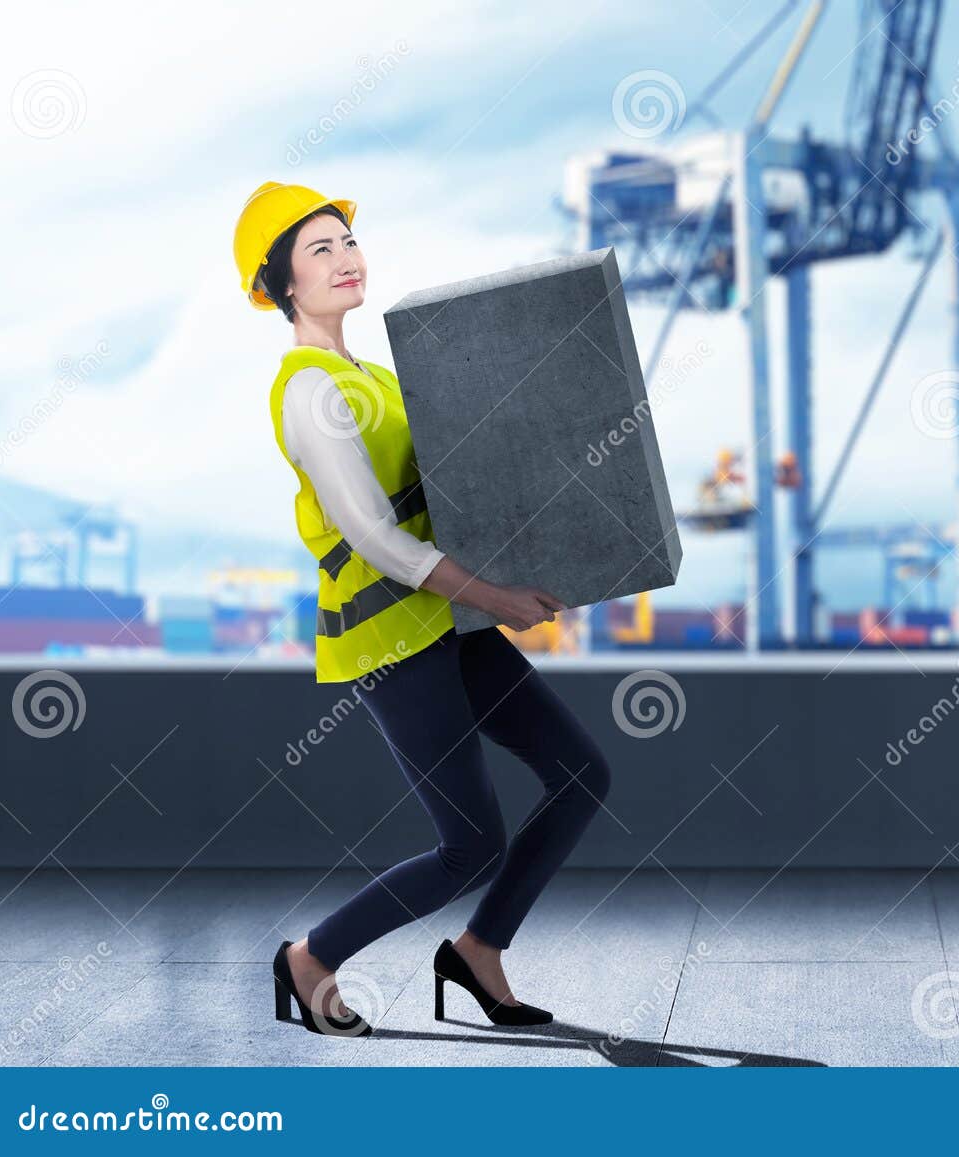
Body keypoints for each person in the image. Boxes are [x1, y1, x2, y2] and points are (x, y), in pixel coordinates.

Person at [233, 182, 612, 1036]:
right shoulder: (307, 389)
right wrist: (499, 596)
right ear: (283, 282)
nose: (345, 258)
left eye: (348, 241)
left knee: (582, 773)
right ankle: (310, 959)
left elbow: (447, 492)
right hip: (393, 640)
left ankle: (477, 952)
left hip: (450, 621)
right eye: (319, 249)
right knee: (469, 844)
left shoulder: (373, 375)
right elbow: (375, 538)